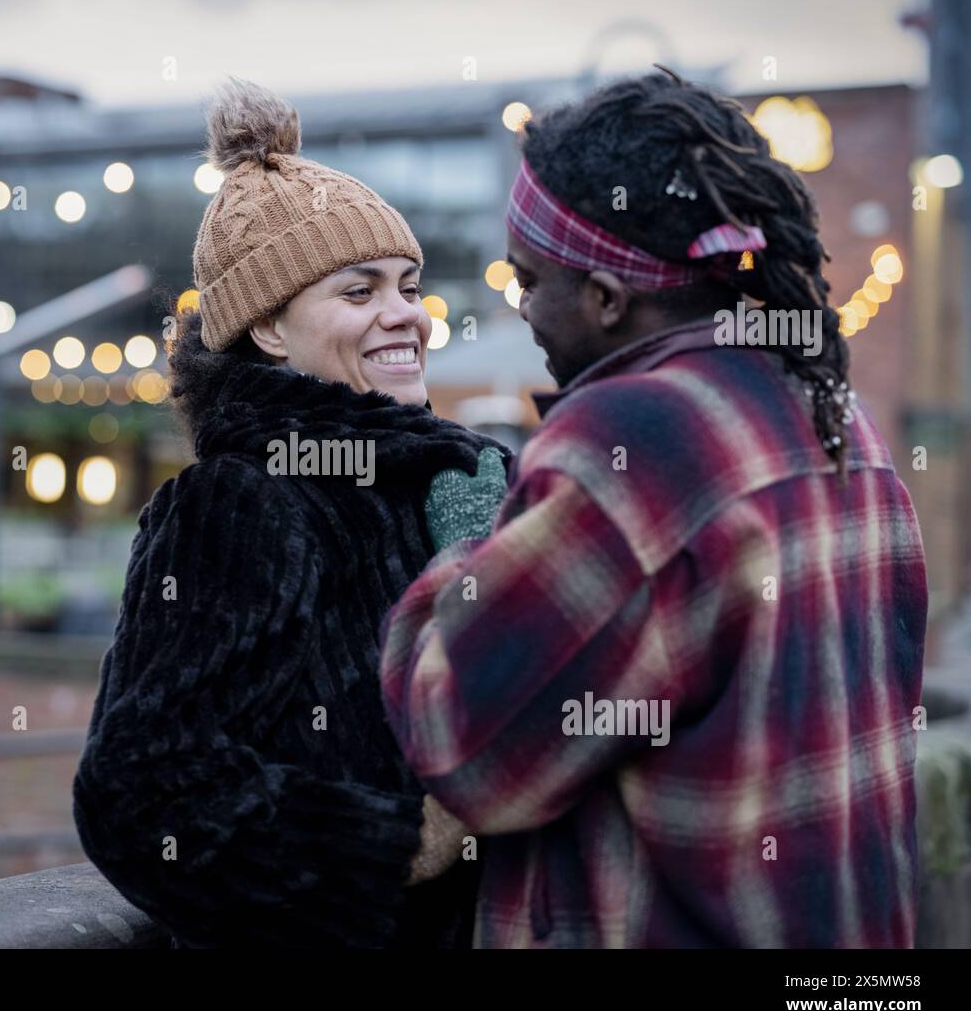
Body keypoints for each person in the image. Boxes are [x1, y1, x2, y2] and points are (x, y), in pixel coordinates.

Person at [379, 67, 929, 948]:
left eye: (529, 279)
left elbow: (461, 742)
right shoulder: (835, 410)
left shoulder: (629, 441)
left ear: (605, 296)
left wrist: (473, 547)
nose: (522, 309)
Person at [73, 78, 510, 948]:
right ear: (269, 330)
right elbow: (141, 785)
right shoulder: (240, 503)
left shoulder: (461, 476)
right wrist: (403, 840)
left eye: (408, 284)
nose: (406, 316)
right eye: (359, 293)